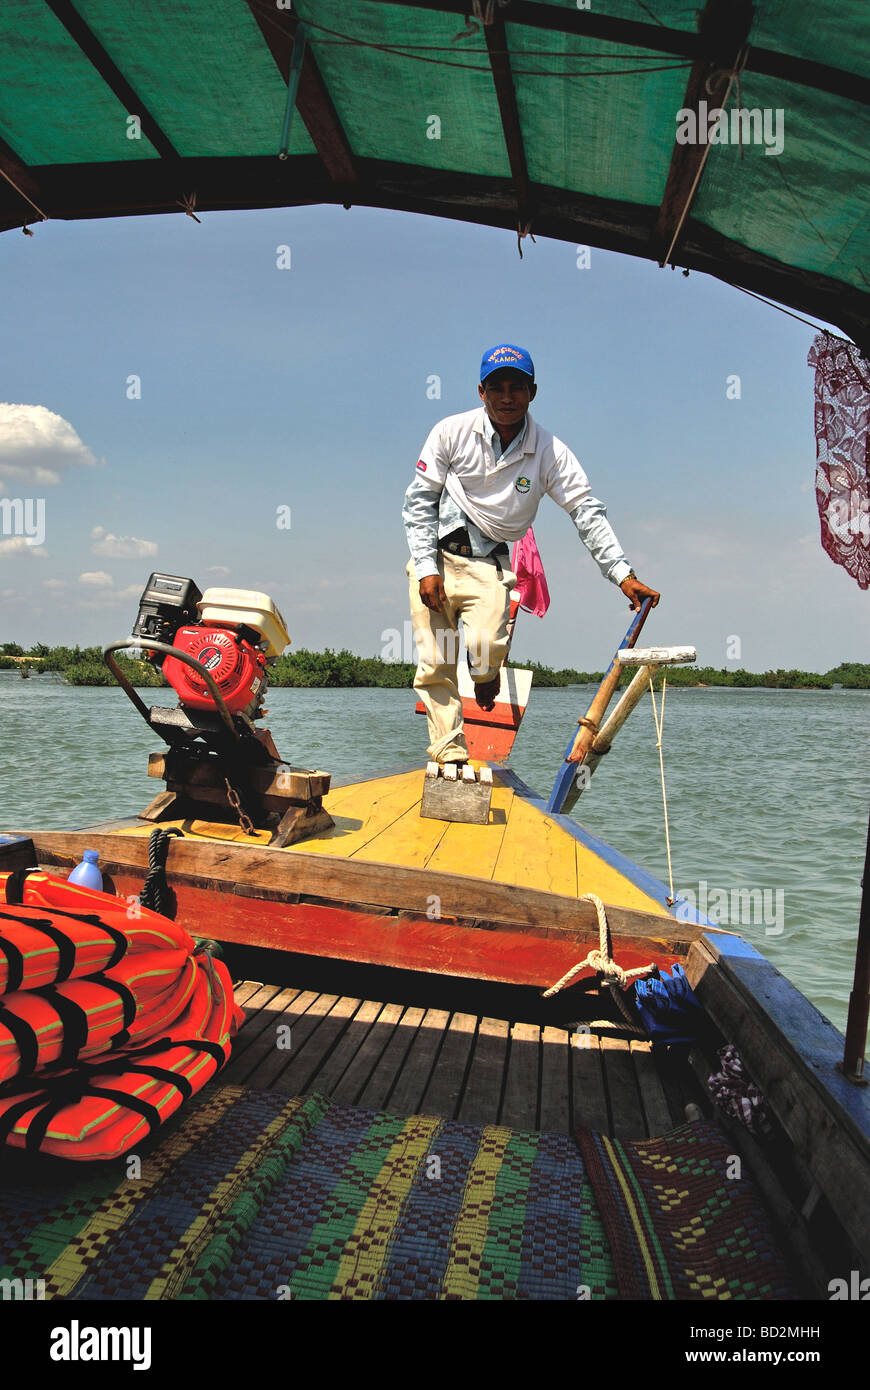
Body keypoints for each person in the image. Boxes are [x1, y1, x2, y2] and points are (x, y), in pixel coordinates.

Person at [402, 343, 660, 765]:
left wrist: (622, 574)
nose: (507, 397)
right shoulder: (450, 432)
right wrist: (427, 568)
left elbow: (586, 512)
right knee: (435, 662)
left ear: (533, 392)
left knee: (484, 651)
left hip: (489, 564)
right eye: (497, 387)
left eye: (517, 387)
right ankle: (449, 753)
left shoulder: (549, 451)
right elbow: (419, 502)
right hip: (436, 557)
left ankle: (486, 676)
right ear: (481, 392)